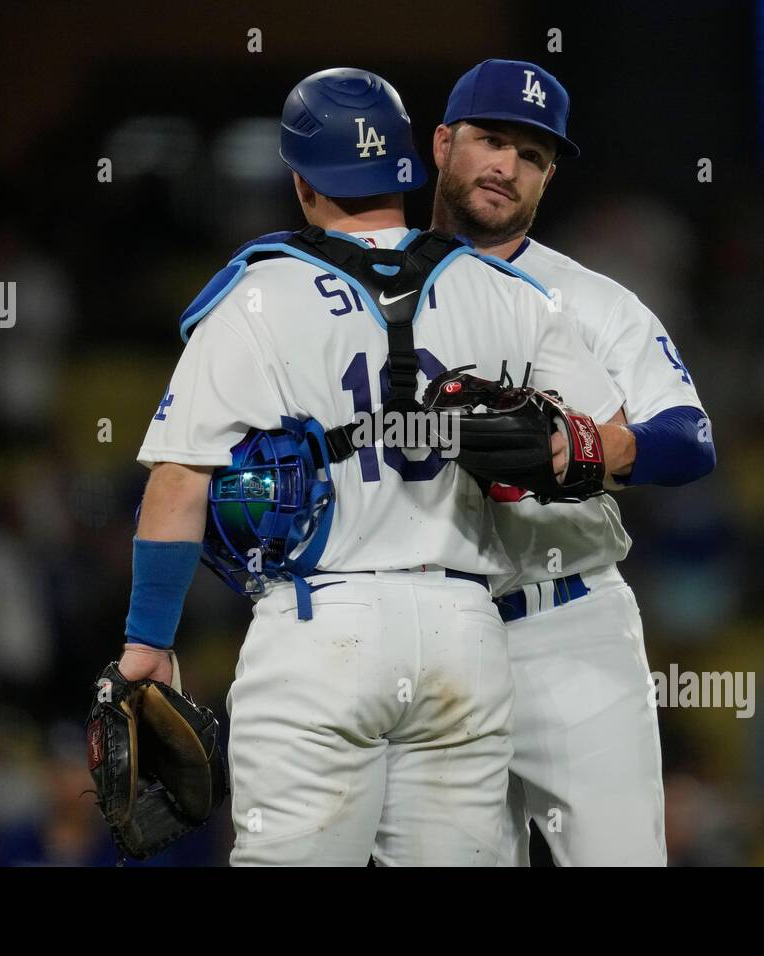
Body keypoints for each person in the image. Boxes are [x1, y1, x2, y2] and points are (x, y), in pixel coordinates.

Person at [112, 67, 627, 865]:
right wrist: (557, 448)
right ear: (412, 166)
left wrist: (146, 644)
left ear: (300, 178)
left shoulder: (258, 294)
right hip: (465, 633)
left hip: (323, 632)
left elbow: (179, 482)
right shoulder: (505, 291)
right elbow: (610, 443)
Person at [431, 59, 717, 866]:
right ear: (443, 141)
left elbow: (691, 439)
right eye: (491, 140)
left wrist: (587, 448)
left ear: (548, 178)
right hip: (434, 635)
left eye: (532, 156)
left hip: (570, 623)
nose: (506, 167)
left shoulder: (593, 299)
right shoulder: (378, 292)